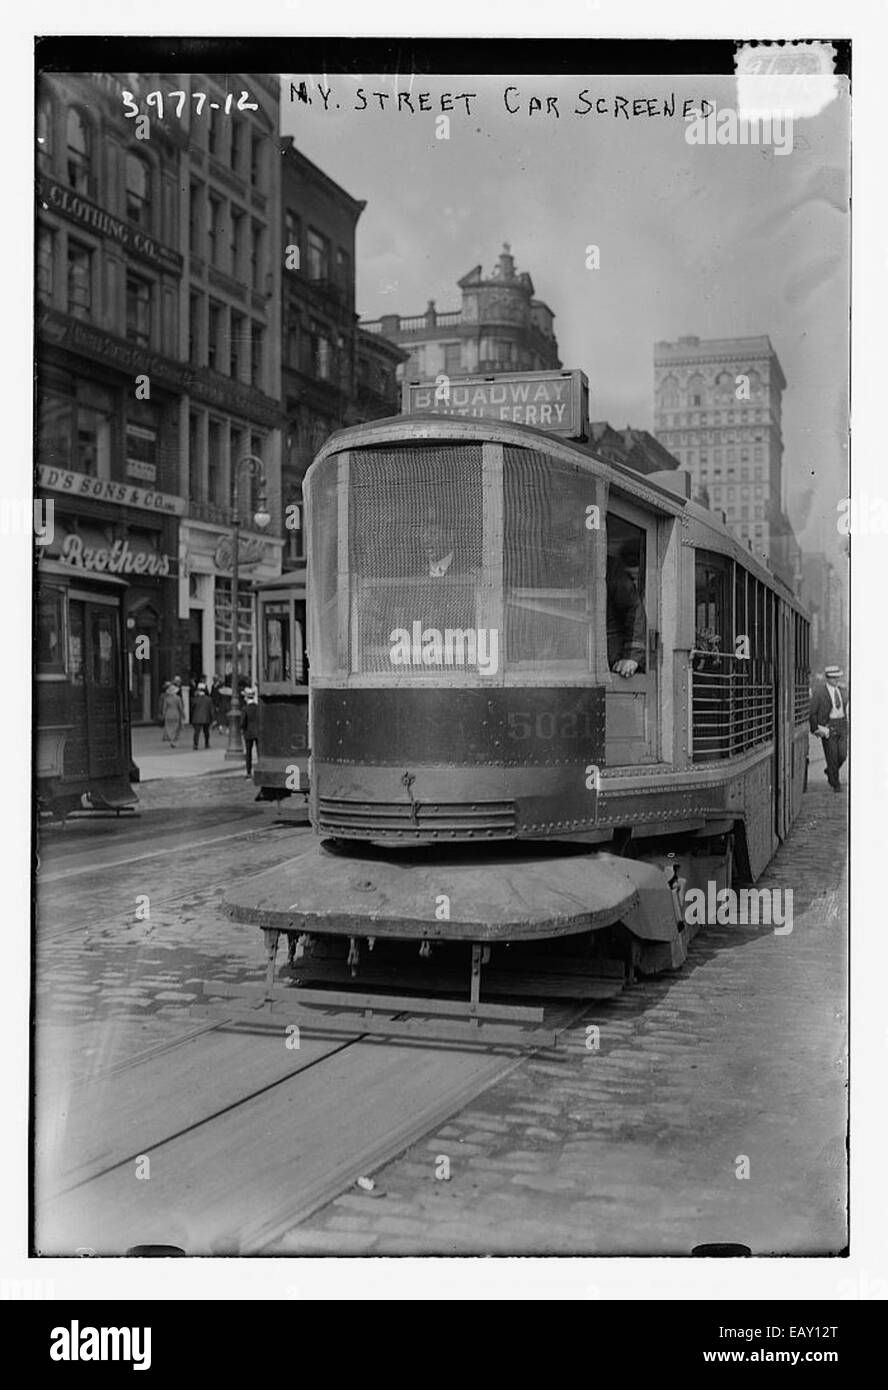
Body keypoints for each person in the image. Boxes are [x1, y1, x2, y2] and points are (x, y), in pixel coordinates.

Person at [606, 542, 647, 677]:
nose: (632, 584)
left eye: (634, 578)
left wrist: (632, 656)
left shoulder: (611, 571)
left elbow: (633, 608)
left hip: (614, 657)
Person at [809, 664, 848, 792]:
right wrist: (815, 729)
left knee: (842, 755)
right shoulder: (820, 692)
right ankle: (835, 784)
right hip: (828, 727)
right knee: (832, 757)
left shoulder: (842, 691)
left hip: (842, 725)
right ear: (828, 678)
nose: (836, 680)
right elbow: (812, 712)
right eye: (833, 678)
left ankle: (830, 771)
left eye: (838, 677)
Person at [159, 681, 184, 749]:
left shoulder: (167, 699)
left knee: (169, 728)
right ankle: (174, 741)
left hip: (168, 714)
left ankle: (171, 739)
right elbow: (180, 707)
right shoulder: (178, 698)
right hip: (176, 714)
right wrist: (182, 714)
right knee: (176, 728)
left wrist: (163, 715)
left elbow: (164, 708)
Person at [190, 681, 214, 750]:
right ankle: (207, 743)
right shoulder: (209, 699)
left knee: (196, 732)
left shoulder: (195, 699)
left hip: (196, 717)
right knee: (206, 732)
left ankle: (195, 744)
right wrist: (212, 719)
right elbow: (211, 710)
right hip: (206, 717)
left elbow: (192, 709)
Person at [242, 687, 260, 778]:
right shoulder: (258, 707)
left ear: (246, 697)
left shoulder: (245, 709)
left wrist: (243, 729)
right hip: (257, 732)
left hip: (248, 733)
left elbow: (242, 722)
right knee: (259, 752)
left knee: (248, 754)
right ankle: (261, 768)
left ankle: (249, 772)